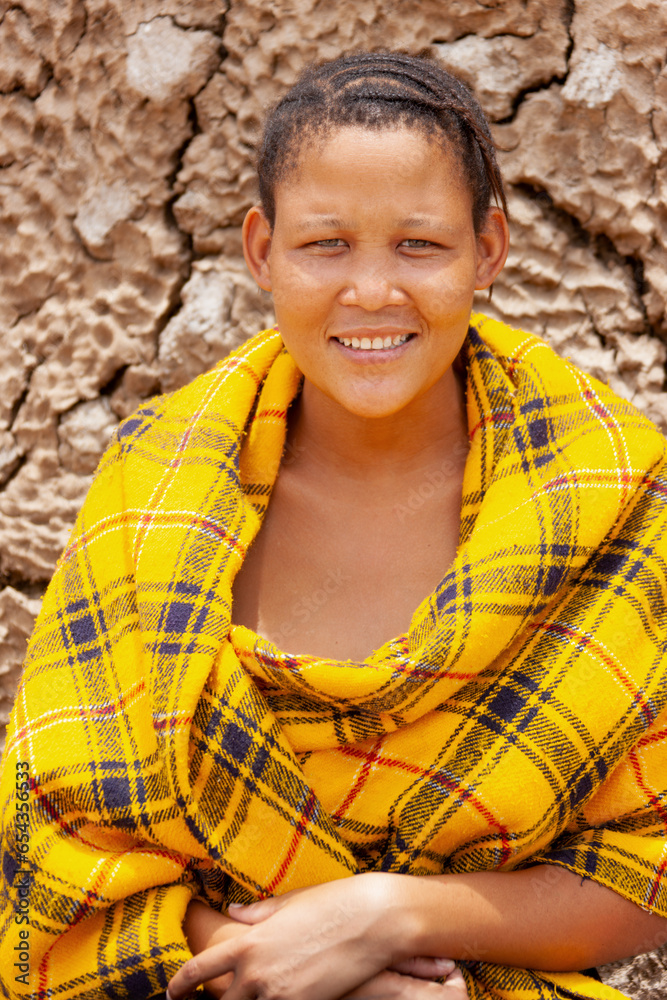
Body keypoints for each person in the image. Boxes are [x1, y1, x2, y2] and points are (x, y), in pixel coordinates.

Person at [1, 50, 666, 1000]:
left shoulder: (604, 494)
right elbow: (49, 833)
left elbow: (649, 864)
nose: (372, 291)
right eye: (325, 245)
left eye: (419, 245)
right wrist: (276, 962)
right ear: (261, 250)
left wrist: (387, 916)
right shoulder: (156, 488)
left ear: (489, 250)